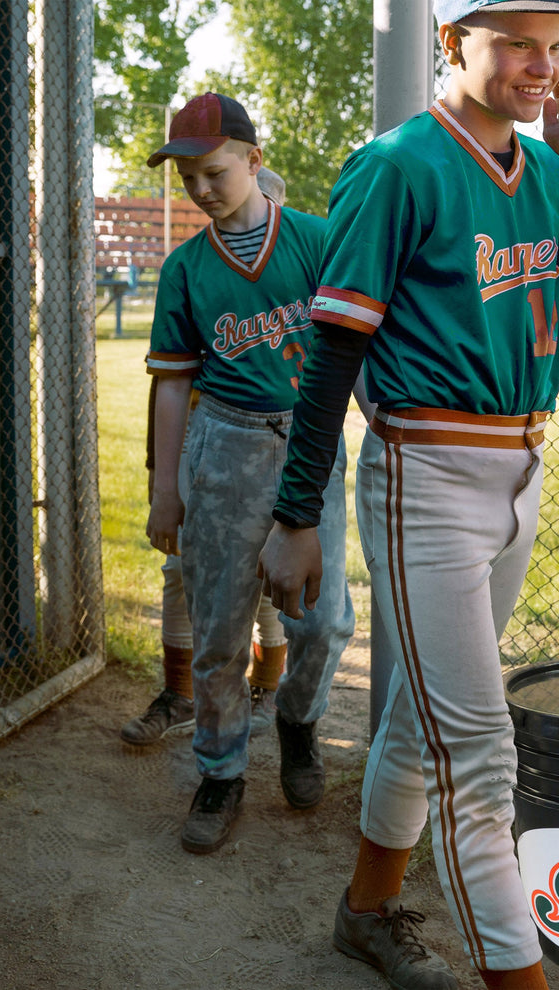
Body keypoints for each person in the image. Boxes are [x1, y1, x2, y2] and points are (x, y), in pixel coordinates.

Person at [257, 2, 559, 988]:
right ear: (452, 42)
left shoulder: (554, 169)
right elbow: (334, 349)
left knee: (413, 716)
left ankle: (368, 909)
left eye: (555, 44)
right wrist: (296, 515)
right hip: (425, 477)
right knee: (479, 760)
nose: (541, 62)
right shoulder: (397, 165)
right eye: (516, 38)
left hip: (521, 467)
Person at [144, 93, 357, 855]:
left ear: (254, 161)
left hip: (308, 445)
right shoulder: (186, 269)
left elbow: (351, 346)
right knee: (220, 630)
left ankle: (298, 723)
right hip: (224, 446)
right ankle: (222, 770)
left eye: (214, 171)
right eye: (188, 178)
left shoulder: (315, 240)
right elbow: (172, 383)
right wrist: (166, 487)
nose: (201, 189)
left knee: (324, 622)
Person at [119, 167, 293, 749]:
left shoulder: (291, 265)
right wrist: (158, 475)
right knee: (181, 572)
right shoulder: (195, 273)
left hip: (274, 441)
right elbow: (166, 384)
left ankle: (269, 687)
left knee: (273, 572)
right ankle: (179, 694)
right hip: (201, 446)